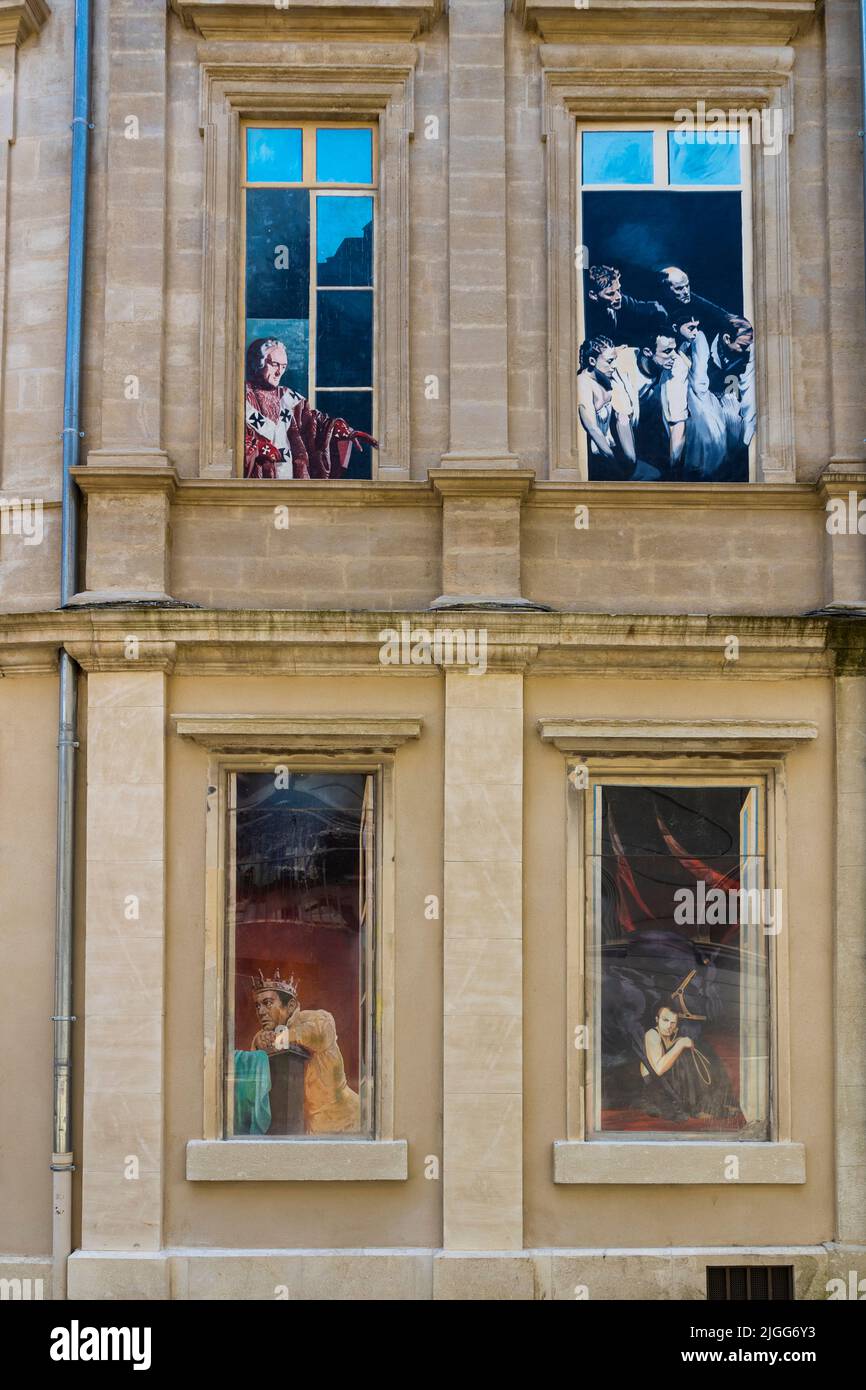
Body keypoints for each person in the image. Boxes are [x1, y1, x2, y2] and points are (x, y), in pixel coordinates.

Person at [244, 338, 377, 480]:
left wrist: (339, 428)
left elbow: (314, 424)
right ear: (258, 362)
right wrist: (256, 447)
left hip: (294, 479)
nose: (279, 372)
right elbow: (225, 442)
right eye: (275, 364)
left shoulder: (290, 399)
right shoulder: (240, 398)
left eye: (283, 366)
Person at [250, 968, 360, 1134]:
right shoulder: (265, 1033)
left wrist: (277, 1038)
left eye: (267, 1003)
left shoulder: (319, 1020)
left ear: (291, 1005)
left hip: (350, 1122)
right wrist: (258, 1041)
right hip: (311, 1130)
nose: (261, 1012)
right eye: (258, 1005)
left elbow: (316, 1033)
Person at [640, 1000, 735, 1124]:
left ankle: (708, 1104)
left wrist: (681, 1043)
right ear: (657, 1019)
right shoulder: (652, 1035)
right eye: (665, 1020)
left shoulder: (671, 1035)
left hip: (670, 1082)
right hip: (656, 1085)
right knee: (683, 1056)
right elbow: (658, 1070)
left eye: (673, 1022)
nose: (669, 1026)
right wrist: (679, 1044)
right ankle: (697, 1108)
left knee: (689, 1053)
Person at [585, 264, 665, 345]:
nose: (618, 296)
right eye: (610, 294)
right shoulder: (588, 319)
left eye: (618, 290)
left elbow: (639, 306)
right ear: (593, 295)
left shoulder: (619, 300)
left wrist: (658, 309)